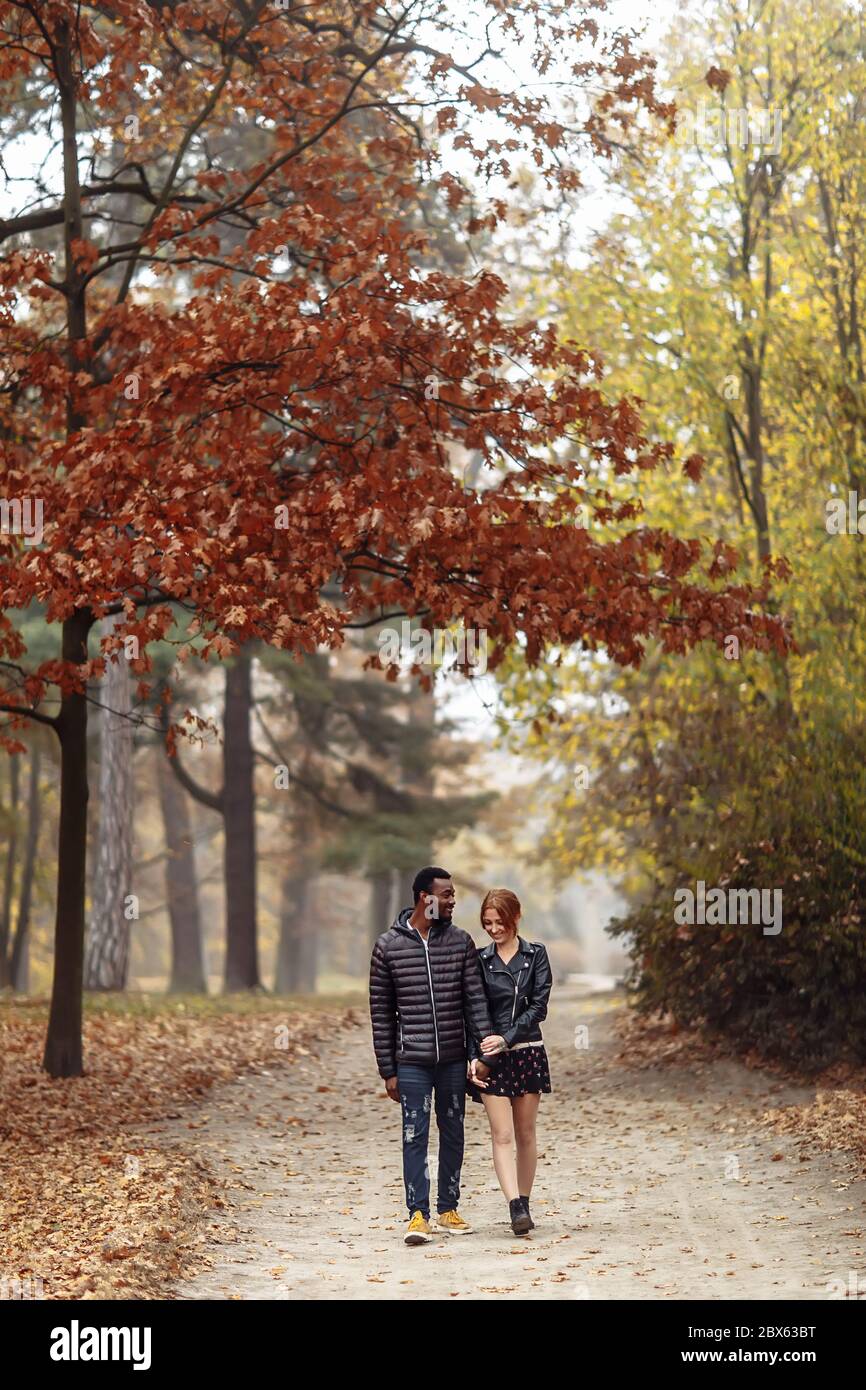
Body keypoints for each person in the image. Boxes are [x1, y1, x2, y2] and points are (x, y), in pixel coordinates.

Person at [369, 866, 494, 1246]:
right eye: (447, 894)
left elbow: (475, 1002)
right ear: (426, 898)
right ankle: (417, 1214)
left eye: (454, 894)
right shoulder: (388, 946)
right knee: (414, 1134)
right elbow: (381, 1013)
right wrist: (387, 1070)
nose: (453, 900)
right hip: (412, 1063)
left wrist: (482, 1052)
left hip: (454, 1059)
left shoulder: (460, 942)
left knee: (453, 1131)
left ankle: (448, 1209)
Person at [468, 888, 553, 1236]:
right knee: (501, 1135)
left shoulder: (537, 956)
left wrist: (507, 1038)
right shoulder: (480, 960)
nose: (493, 929)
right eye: (487, 923)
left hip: (527, 1051)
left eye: (499, 922)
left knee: (525, 1134)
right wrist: (478, 1054)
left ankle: (526, 1198)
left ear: (515, 917)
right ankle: (515, 1207)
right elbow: (473, 1010)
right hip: (492, 1060)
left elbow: (539, 1007)